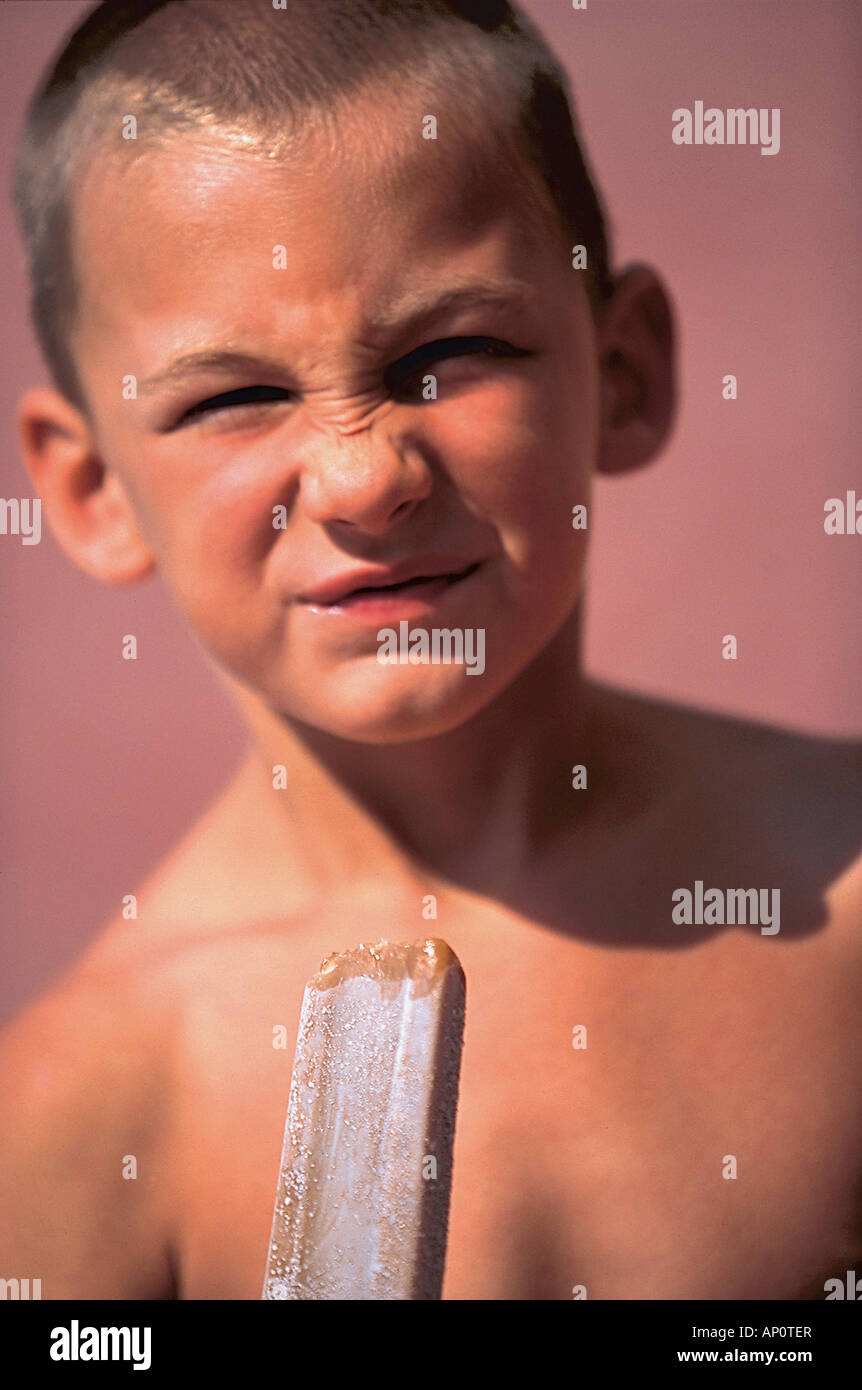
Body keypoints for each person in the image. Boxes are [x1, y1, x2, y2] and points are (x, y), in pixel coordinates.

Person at [1, 0, 860, 1300]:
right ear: (92, 491)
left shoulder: (838, 883)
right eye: (233, 397)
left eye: (451, 352)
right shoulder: (82, 1121)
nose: (362, 478)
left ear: (620, 375)